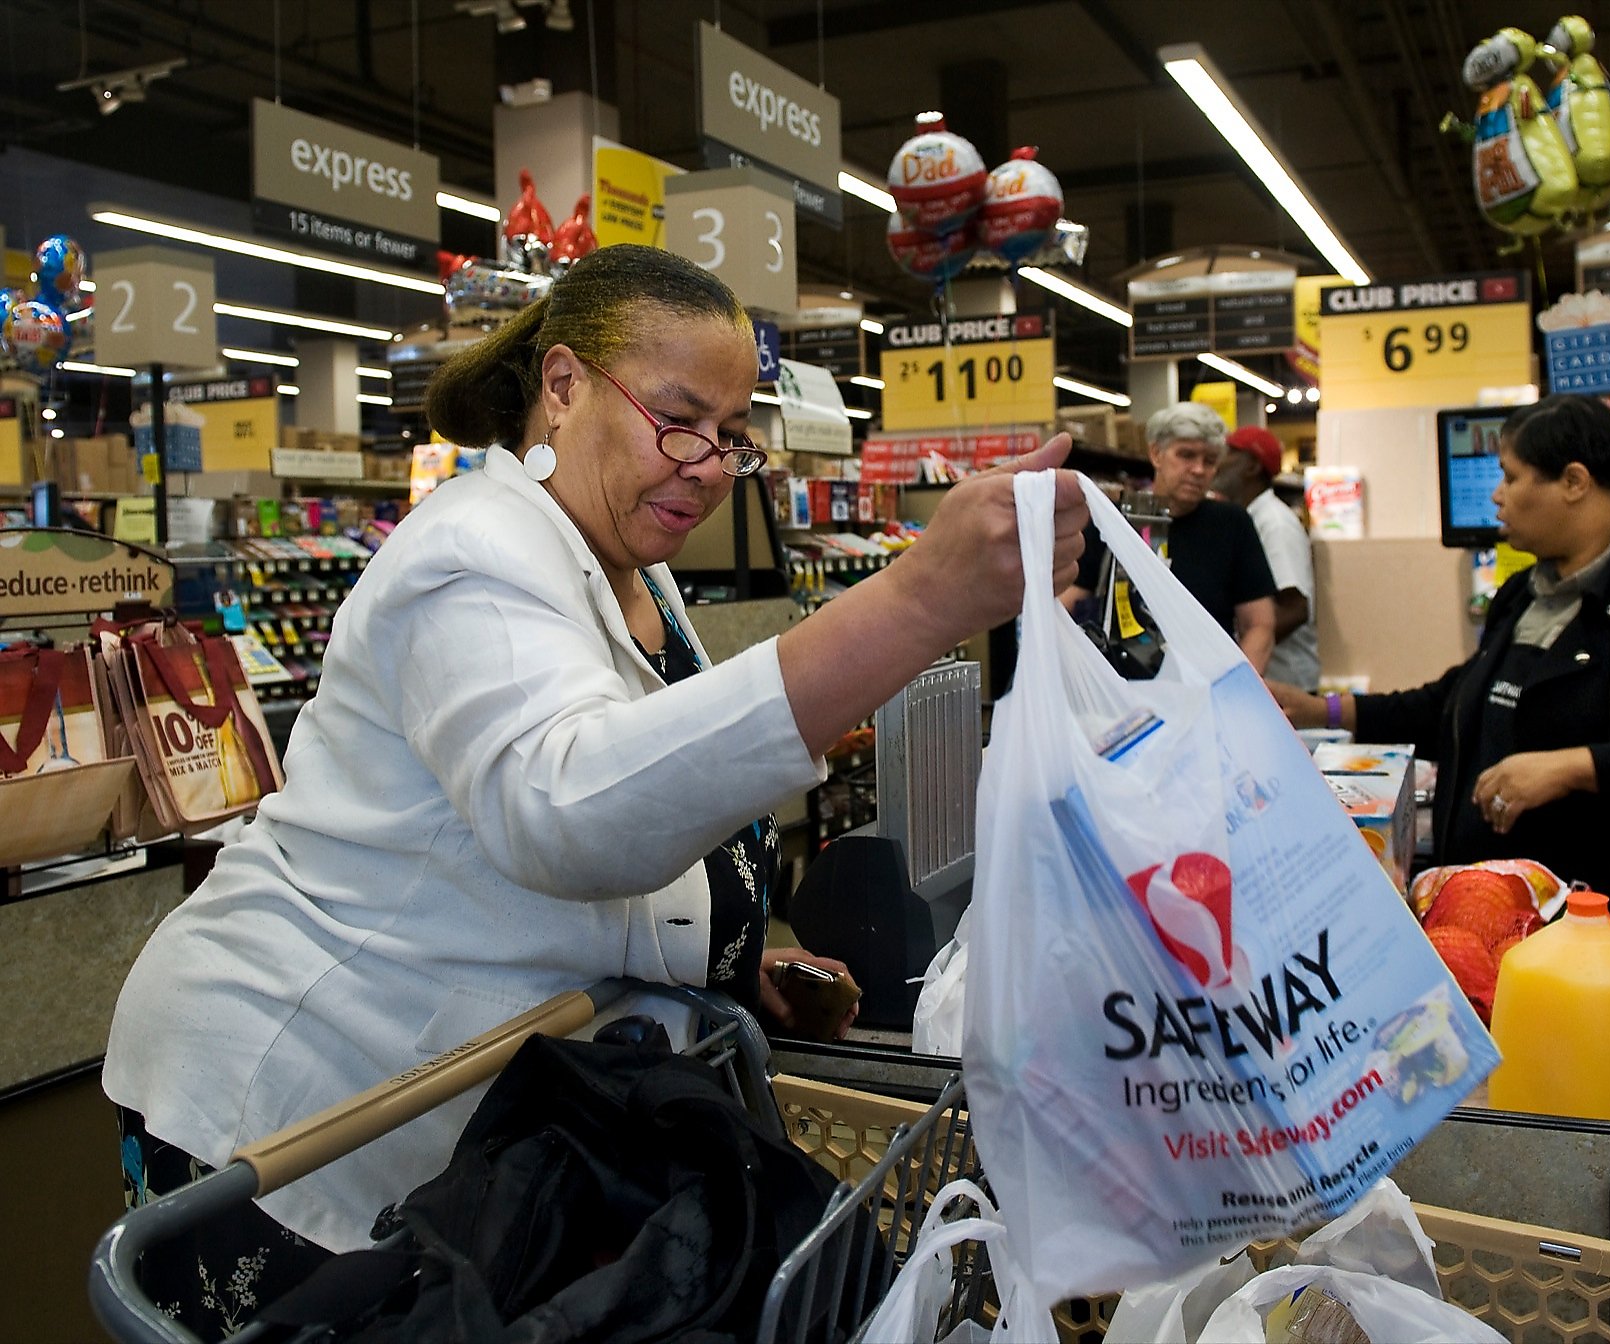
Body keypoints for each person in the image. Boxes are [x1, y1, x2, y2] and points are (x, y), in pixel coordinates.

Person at [101, 244, 1086, 1325]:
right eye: (677, 417)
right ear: (563, 386)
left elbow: (649, 781)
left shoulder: (632, 568)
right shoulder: (467, 550)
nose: (706, 463)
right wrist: (914, 602)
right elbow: (565, 813)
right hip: (298, 1104)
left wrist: (731, 948)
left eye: (726, 433)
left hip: (458, 1113)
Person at [1269, 394, 1610, 935]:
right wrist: (1325, 708)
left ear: (1573, 482)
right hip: (1504, 925)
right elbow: (1460, 699)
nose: (1496, 497)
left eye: (1511, 477)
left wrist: (1575, 767)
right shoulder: (1525, 592)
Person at [1060, 402, 1276, 671]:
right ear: (1156, 454)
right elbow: (1067, 604)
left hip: (1205, 689)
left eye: (1209, 461)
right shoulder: (1113, 520)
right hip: (1122, 693)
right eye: (1186, 455)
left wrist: (1241, 690)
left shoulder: (1232, 524)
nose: (1198, 469)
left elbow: (1259, 624)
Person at [1213, 424, 1319, 689]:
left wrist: (1249, 645)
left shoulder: (1275, 523)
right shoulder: (1245, 519)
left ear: (1251, 467)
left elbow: (1296, 608)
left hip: (1285, 682)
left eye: (1229, 453)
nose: (1218, 462)